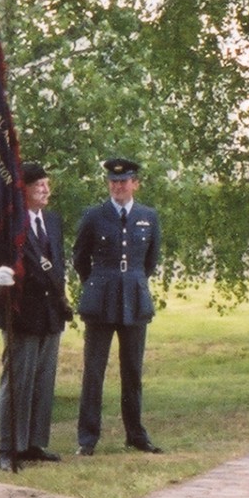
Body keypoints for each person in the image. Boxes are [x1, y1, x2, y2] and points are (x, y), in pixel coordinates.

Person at [71, 157, 164, 456]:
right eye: (113, 182)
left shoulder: (148, 216)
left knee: (133, 371)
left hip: (134, 299)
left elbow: (150, 260)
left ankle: (135, 434)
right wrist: (98, 282)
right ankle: (88, 438)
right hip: (100, 299)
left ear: (135, 184)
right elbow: (80, 258)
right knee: (94, 371)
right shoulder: (94, 216)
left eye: (123, 182)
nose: (118, 187)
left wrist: (132, 281)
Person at [0, 161, 71, 471]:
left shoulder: (52, 221)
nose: (46, 190)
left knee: (43, 380)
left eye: (47, 184)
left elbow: (58, 263)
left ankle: (34, 443)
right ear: (22, 191)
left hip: (50, 312)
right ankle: (8, 448)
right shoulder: (8, 224)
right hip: (21, 311)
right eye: (39, 186)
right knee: (17, 382)